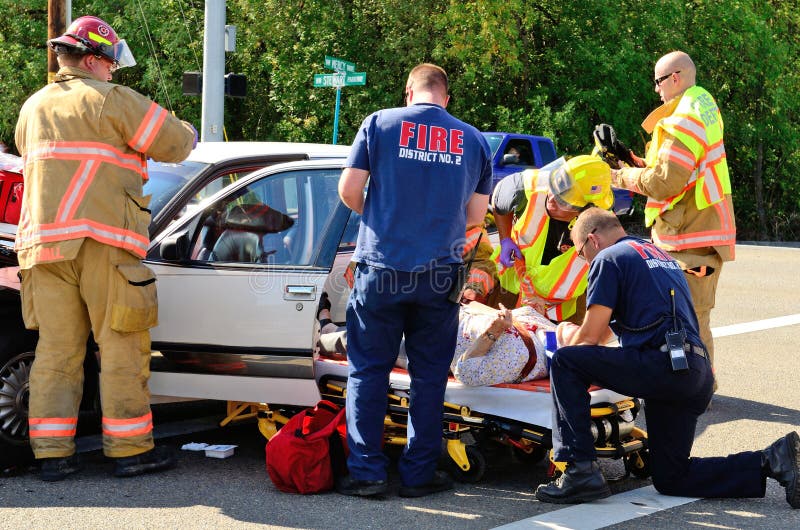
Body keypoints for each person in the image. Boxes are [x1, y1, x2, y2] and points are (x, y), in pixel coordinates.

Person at [14, 15, 196, 481]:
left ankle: (52, 455)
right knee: (121, 348)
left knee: (55, 352)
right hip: (103, 243)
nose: (114, 72)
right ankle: (130, 450)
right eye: (111, 64)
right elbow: (176, 144)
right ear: (94, 60)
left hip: (42, 250)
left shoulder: (33, 106)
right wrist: (186, 130)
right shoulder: (111, 101)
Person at [534, 208, 799, 509]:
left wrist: (567, 334)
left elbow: (590, 338)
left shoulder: (608, 259)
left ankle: (579, 470)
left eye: (581, 254)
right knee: (672, 476)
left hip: (662, 366)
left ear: (592, 240)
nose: (585, 262)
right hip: (694, 371)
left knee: (567, 361)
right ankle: (773, 460)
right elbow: (611, 329)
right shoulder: (660, 256)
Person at [337, 63, 492, 498]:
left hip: (382, 268)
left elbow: (349, 190)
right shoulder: (474, 140)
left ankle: (367, 474)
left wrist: (381, 217)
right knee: (428, 377)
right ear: (446, 97)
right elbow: (476, 218)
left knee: (368, 371)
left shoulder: (378, 124)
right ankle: (418, 474)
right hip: (439, 274)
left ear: (409, 92)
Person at [612, 51, 735, 391]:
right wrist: (631, 161)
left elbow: (665, 182)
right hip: (696, 232)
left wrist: (619, 177)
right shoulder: (700, 106)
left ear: (676, 78)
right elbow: (673, 170)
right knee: (691, 316)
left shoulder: (684, 118)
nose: (656, 90)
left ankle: (699, 391)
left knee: (692, 317)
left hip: (691, 237)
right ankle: (697, 386)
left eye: (659, 81)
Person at [316, 298, 552, 386]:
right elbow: (498, 313)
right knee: (373, 324)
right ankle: (327, 324)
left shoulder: (519, 359)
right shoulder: (545, 327)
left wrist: (493, 331)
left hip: (434, 343)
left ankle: (323, 333)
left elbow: (466, 373)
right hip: (444, 315)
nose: (574, 326)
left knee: (367, 341)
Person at [493, 155, 614, 322]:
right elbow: (500, 201)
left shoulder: (600, 224)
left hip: (563, 307)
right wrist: (505, 239)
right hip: (514, 286)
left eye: (563, 200)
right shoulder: (530, 185)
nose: (551, 199)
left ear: (584, 210)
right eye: (554, 190)